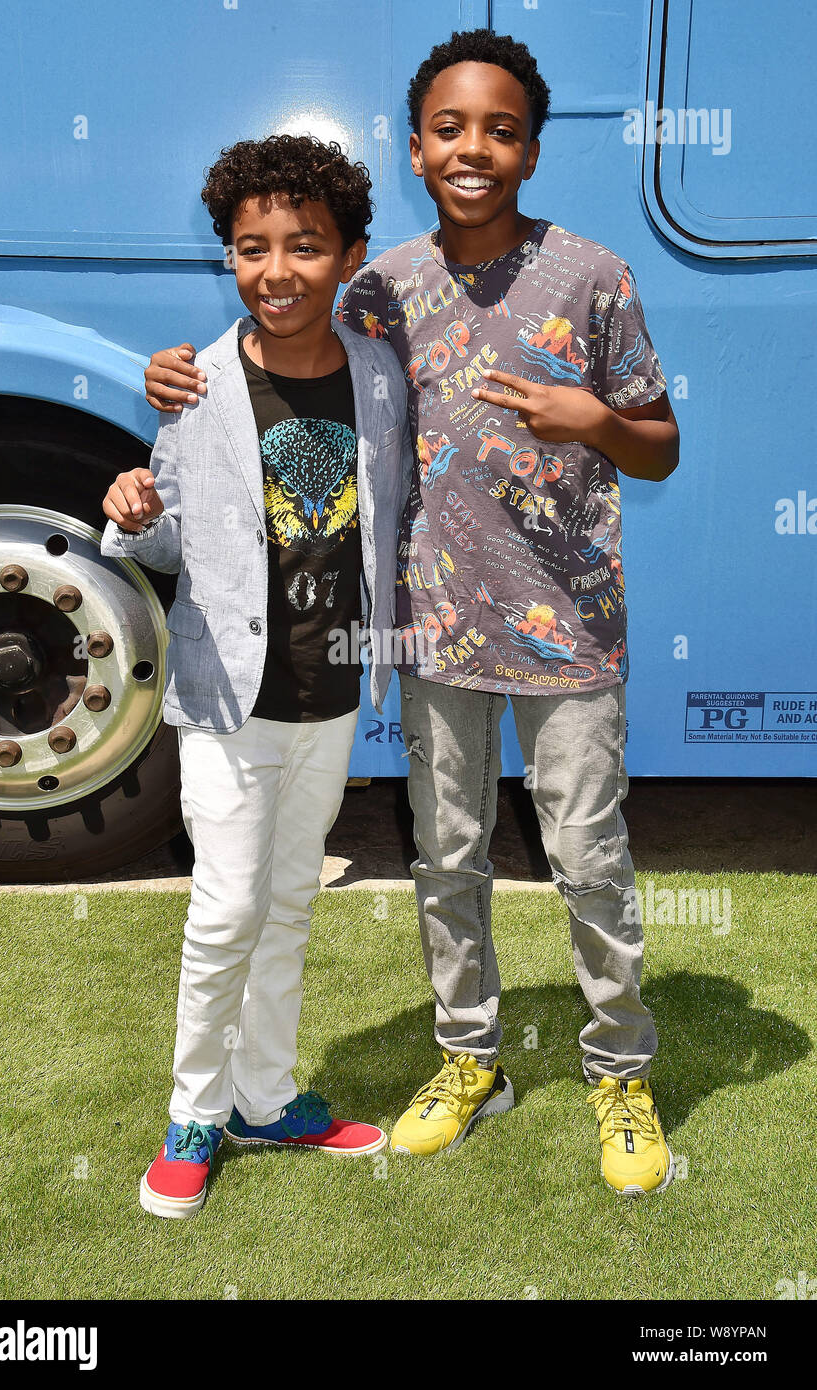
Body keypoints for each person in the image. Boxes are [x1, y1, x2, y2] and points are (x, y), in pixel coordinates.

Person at [141, 29, 681, 1197]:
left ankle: (619, 1068)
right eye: (448, 127)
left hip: (572, 631)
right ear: (418, 145)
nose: (472, 147)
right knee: (446, 856)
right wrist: (175, 383)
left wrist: (591, 420)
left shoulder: (594, 277)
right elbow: (282, 362)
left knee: (588, 856)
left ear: (532, 150)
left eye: (498, 128)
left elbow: (661, 449)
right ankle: (465, 1055)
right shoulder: (379, 286)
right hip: (430, 630)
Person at [100, 134, 412, 1218]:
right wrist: (131, 512)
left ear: (349, 254)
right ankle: (193, 1109)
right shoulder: (193, 385)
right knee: (226, 907)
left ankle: (265, 1096)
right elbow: (175, 545)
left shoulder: (379, 376)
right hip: (227, 700)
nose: (276, 271)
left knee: (287, 901)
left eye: (305, 247)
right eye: (249, 248)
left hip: (330, 696)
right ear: (227, 255)